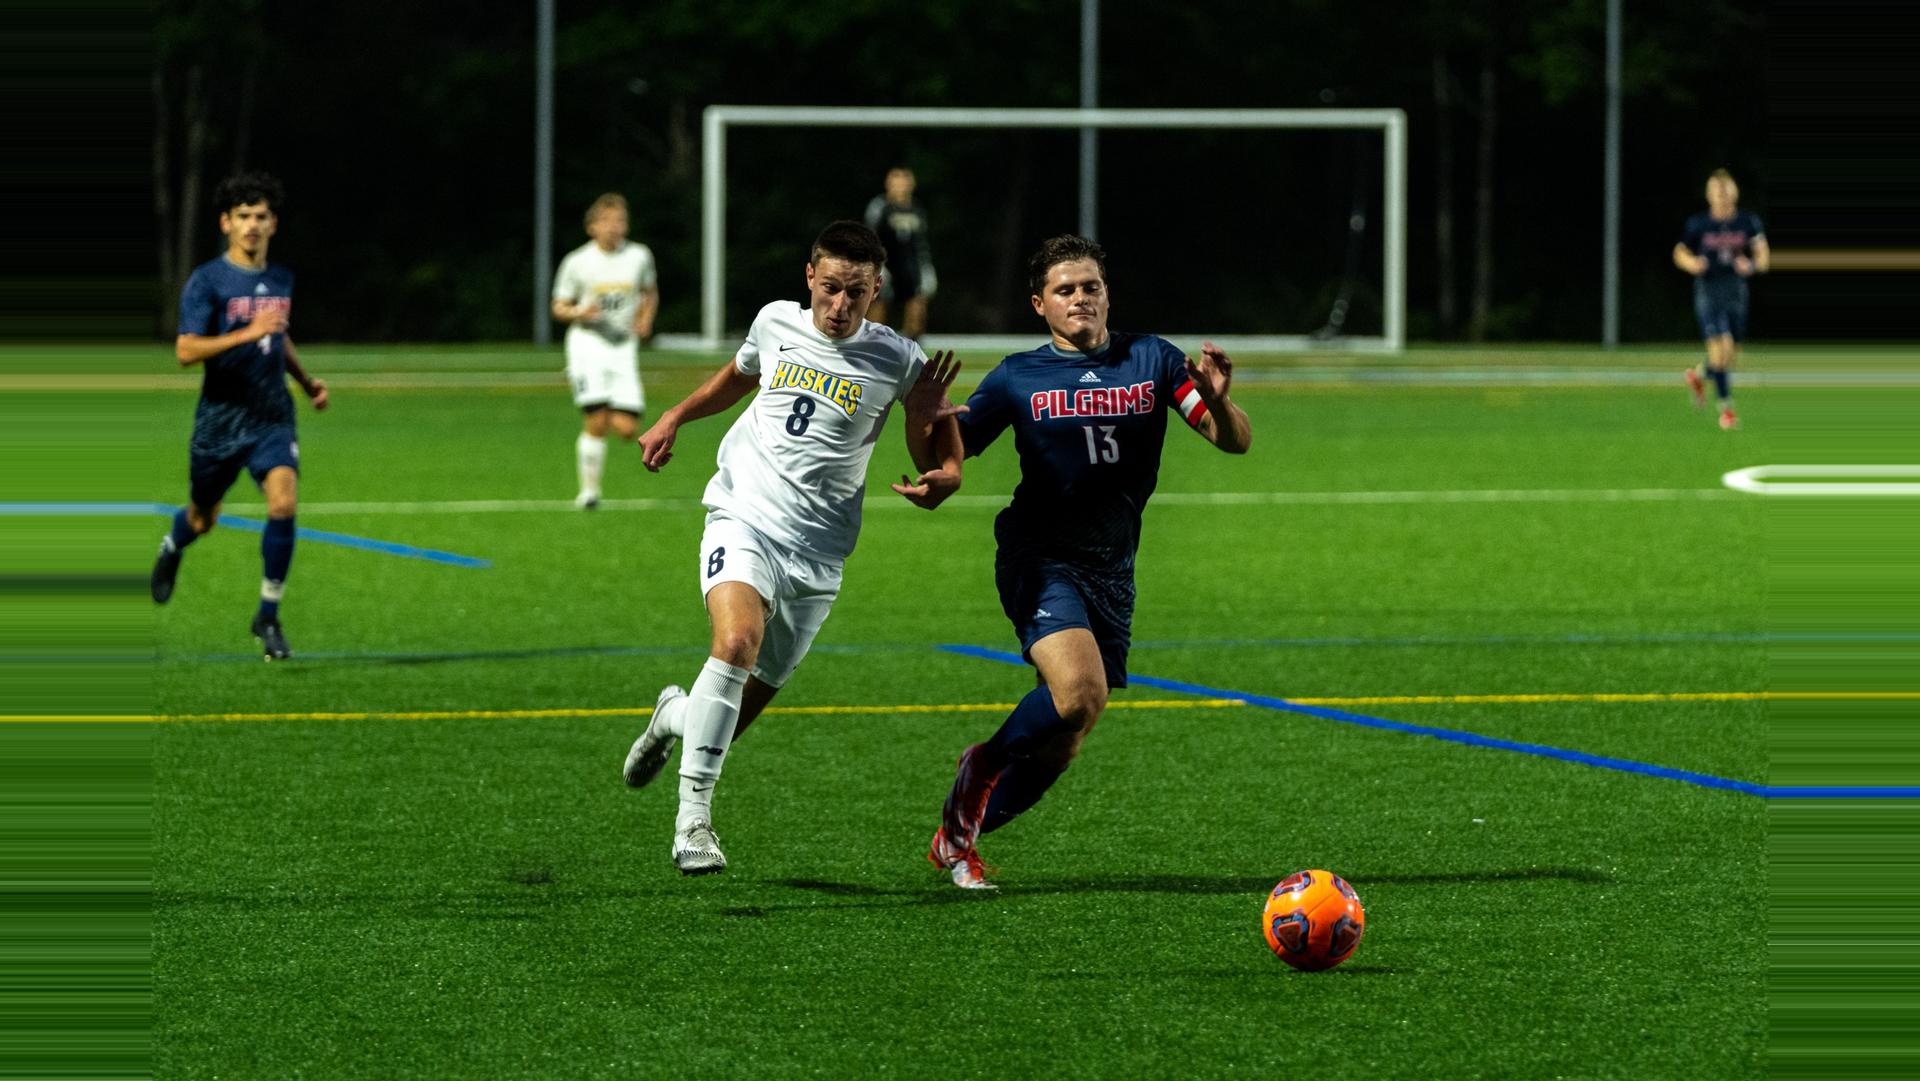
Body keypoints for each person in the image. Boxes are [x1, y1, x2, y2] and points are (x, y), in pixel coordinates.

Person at [619, 221, 966, 875]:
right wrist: (674, 417)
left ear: (876, 288)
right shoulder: (776, 322)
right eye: (830, 288)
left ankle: (673, 716)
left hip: (821, 553)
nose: (839, 305)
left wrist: (937, 452)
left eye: (855, 293)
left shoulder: (898, 357)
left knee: (743, 699)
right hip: (743, 515)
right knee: (734, 644)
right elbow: (737, 376)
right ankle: (693, 822)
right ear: (810, 276)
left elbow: (937, 452)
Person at [927, 235, 1253, 889]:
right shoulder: (1018, 375)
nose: (1081, 298)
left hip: (1113, 566)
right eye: (1065, 289)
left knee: (1069, 731)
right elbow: (953, 446)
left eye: (1091, 286)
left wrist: (1216, 398)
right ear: (1039, 304)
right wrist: (934, 454)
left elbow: (1233, 440)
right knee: (1077, 691)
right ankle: (980, 772)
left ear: (1108, 294)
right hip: (1039, 556)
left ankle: (960, 833)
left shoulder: (1153, 359)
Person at [150, 172, 328, 661]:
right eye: (244, 216)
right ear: (226, 223)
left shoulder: (281, 279)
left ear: (274, 225)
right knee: (203, 519)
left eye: (262, 217)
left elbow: (277, 335)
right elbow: (186, 350)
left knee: (283, 505)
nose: (253, 225)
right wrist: (245, 333)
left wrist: (306, 380)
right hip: (219, 421)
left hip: (271, 416)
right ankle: (173, 543)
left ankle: (267, 616)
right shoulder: (207, 281)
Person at [552, 193, 660, 508]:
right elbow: (559, 306)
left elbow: (649, 292)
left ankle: (602, 401)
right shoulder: (577, 262)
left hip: (622, 348)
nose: (614, 227)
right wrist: (578, 313)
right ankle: (589, 493)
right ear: (592, 227)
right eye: (607, 221)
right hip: (587, 345)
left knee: (627, 429)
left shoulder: (639, 256)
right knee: (596, 420)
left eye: (620, 221)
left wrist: (645, 320)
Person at [1673, 170, 1768, 430]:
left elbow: (1763, 257)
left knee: (1730, 356)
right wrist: (1692, 263)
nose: (1722, 196)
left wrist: (1750, 265)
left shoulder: (1748, 222)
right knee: (1721, 348)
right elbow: (1679, 252)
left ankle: (1700, 375)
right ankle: (1726, 411)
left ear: (1734, 193)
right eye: (1717, 191)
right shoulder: (1699, 224)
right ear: (1709, 195)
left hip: (1735, 292)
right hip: (1709, 292)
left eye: (1726, 191)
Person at [862, 167, 936, 340]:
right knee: (878, 308)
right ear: (888, 183)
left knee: (917, 307)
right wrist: (876, 264)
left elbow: (921, 243)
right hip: (885, 265)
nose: (900, 186)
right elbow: (870, 236)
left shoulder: (916, 209)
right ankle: (873, 346)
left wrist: (926, 267)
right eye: (896, 181)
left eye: (904, 181)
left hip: (911, 267)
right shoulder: (880, 207)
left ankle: (911, 349)